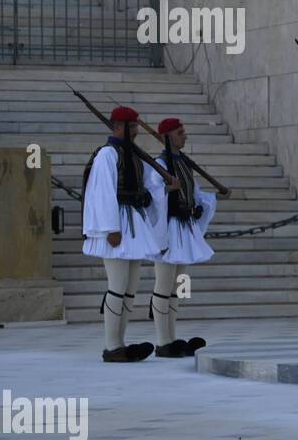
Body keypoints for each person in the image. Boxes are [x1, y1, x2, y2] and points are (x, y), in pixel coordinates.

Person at [81, 105, 175, 362]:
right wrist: (110, 228)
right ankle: (112, 345)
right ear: (119, 127)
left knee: (131, 286)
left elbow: (145, 189)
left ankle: (121, 342)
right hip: (117, 225)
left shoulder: (132, 155)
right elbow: (102, 193)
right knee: (117, 285)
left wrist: (164, 190)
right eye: (133, 127)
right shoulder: (107, 155)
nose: (136, 131)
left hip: (134, 222)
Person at [145, 117, 225, 358]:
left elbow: (195, 191)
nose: (185, 136)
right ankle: (162, 341)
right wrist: (167, 188)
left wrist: (204, 203)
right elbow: (151, 192)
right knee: (163, 283)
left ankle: (172, 337)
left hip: (183, 228)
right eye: (180, 133)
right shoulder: (159, 164)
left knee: (178, 286)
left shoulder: (183, 163)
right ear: (168, 136)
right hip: (167, 229)